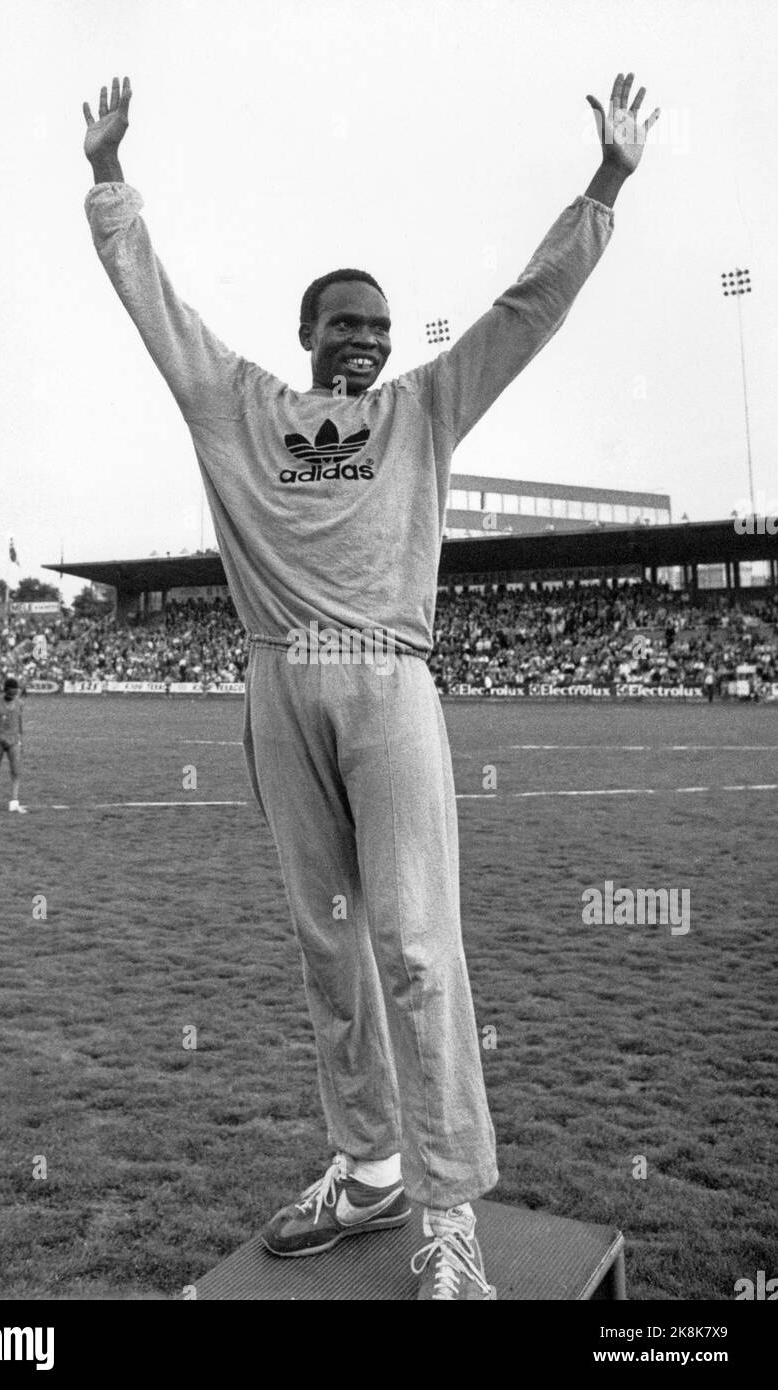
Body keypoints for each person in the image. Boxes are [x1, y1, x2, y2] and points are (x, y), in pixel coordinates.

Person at [82, 71, 659, 1300]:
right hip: (277, 682)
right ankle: (368, 1165)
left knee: (413, 941)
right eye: (345, 322)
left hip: (384, 681)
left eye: (380, 324)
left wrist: (603, 183)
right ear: (308, 333)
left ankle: (450, 1211)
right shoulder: (235, 406)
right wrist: (109, 182)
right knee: (327, 944)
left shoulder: (423, 412)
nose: (367, 338)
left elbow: (524, 308)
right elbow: (158, 309)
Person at [0, 676, 27, 812]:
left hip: (13, 741)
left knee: (16, 771)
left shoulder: (20, 704)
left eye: (15, 692)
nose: (13, 695)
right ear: (6, 690)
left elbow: (19, 722)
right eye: (11, 692)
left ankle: (14, 801)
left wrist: (20, 738)